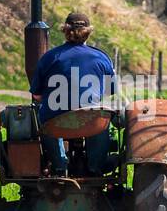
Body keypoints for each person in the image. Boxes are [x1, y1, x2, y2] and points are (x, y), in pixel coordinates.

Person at [30, 10, 115, 176]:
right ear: (88, 33)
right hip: (91, 122)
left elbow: (37, 96)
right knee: (102, 119)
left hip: (56, 123)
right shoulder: (102, 58)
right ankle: (95, 168)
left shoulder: (49, 58)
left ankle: (59, 167)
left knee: (43, 119)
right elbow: (108, 92)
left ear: (65, 31)